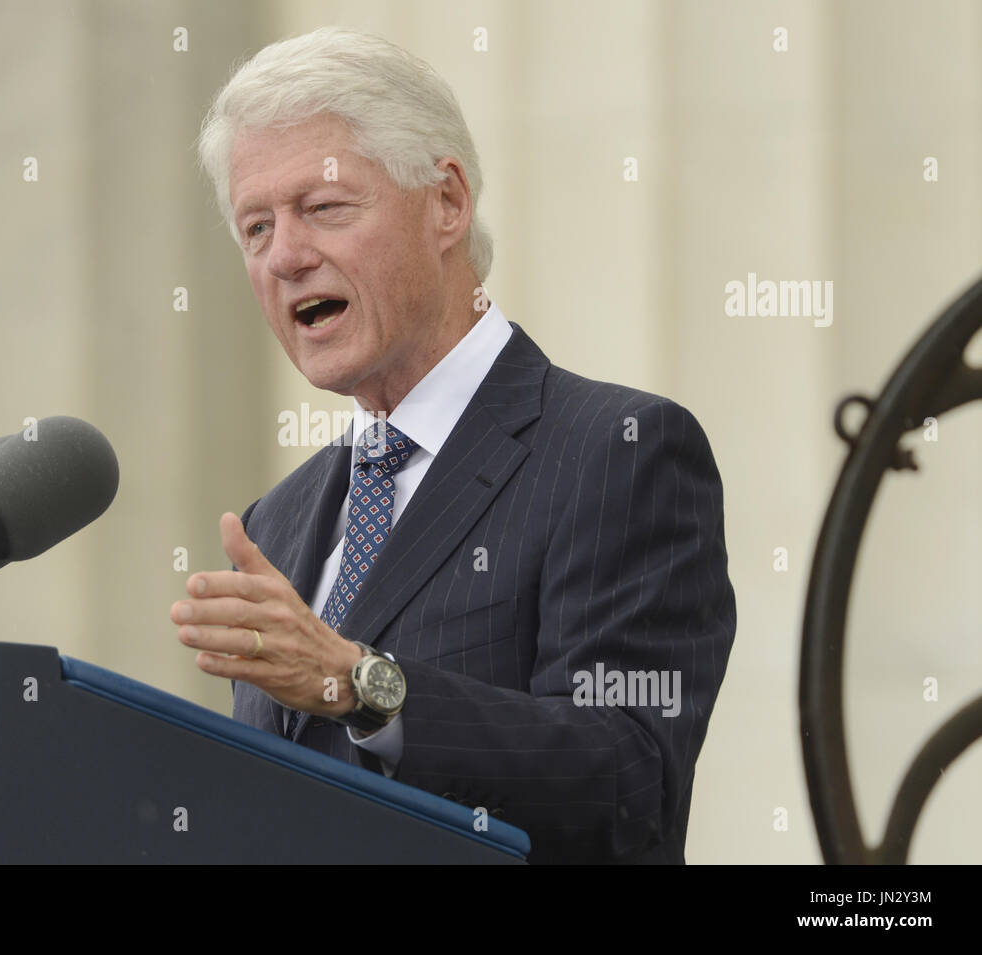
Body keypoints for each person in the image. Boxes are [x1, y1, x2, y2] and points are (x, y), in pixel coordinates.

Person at [169, 26, 735, 864]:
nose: (285, 255)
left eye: (323, 208)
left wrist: (361, 684)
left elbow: (630, 780)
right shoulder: (277, 523)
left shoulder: (618, 451)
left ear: (447, 203)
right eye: (256, 228)